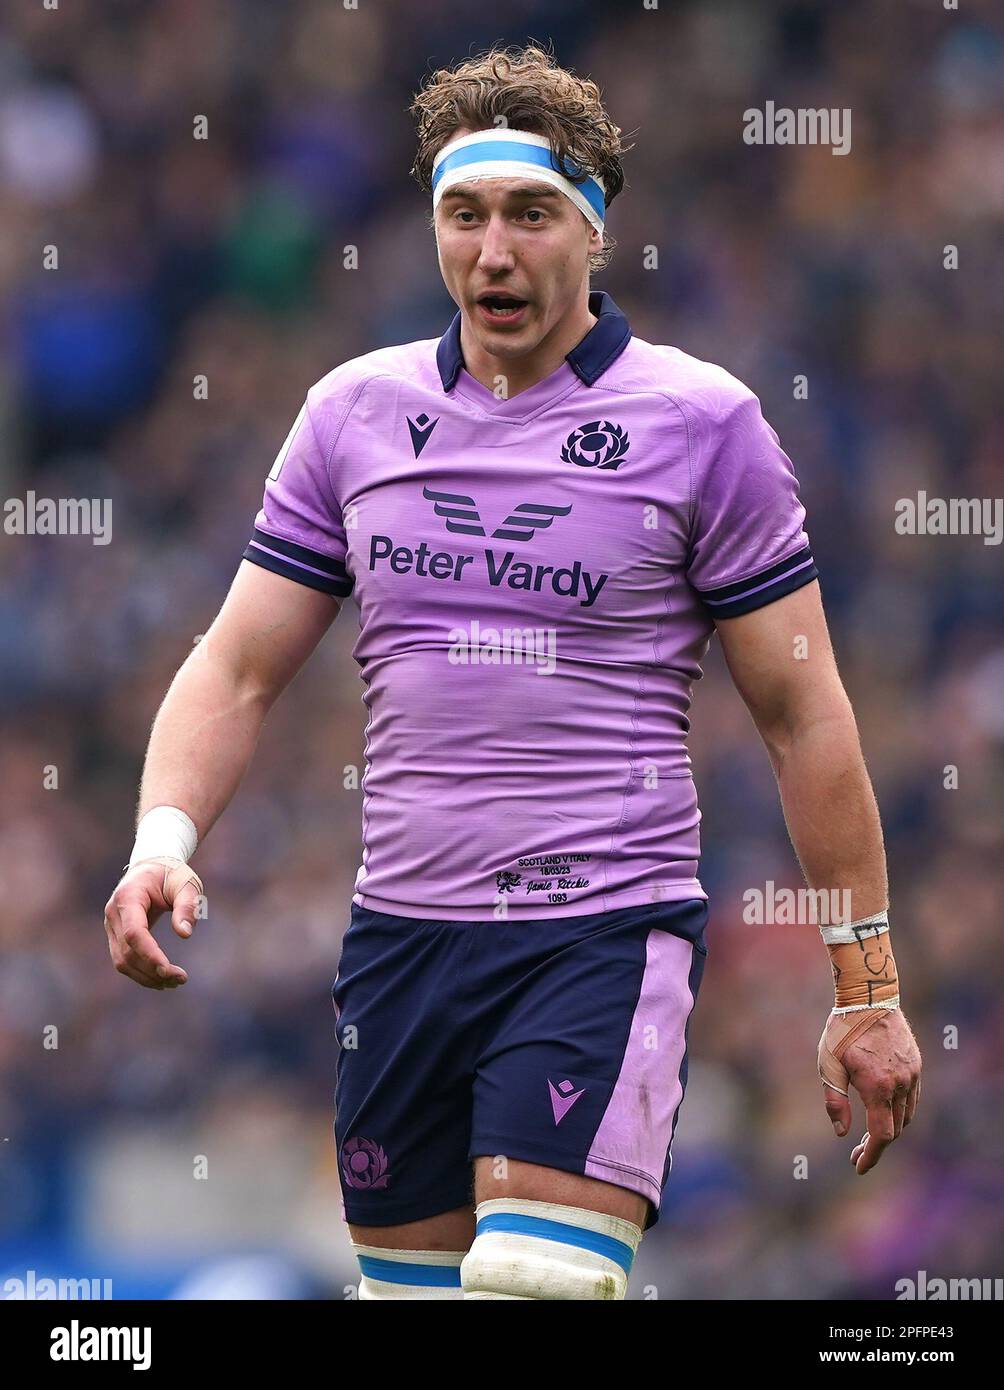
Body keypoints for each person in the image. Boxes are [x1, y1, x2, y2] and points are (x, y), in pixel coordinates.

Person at [103, 44, 922, 1301]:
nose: (492, 250)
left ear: (592, 234)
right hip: (399, 944)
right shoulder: (350, 415)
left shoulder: (703, 426)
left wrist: (863, 983)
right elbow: (235, 668)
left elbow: (802, 712)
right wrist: (162, 835)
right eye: (463, 213)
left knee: (533, 1282)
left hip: (598, 929)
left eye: (531, 214)